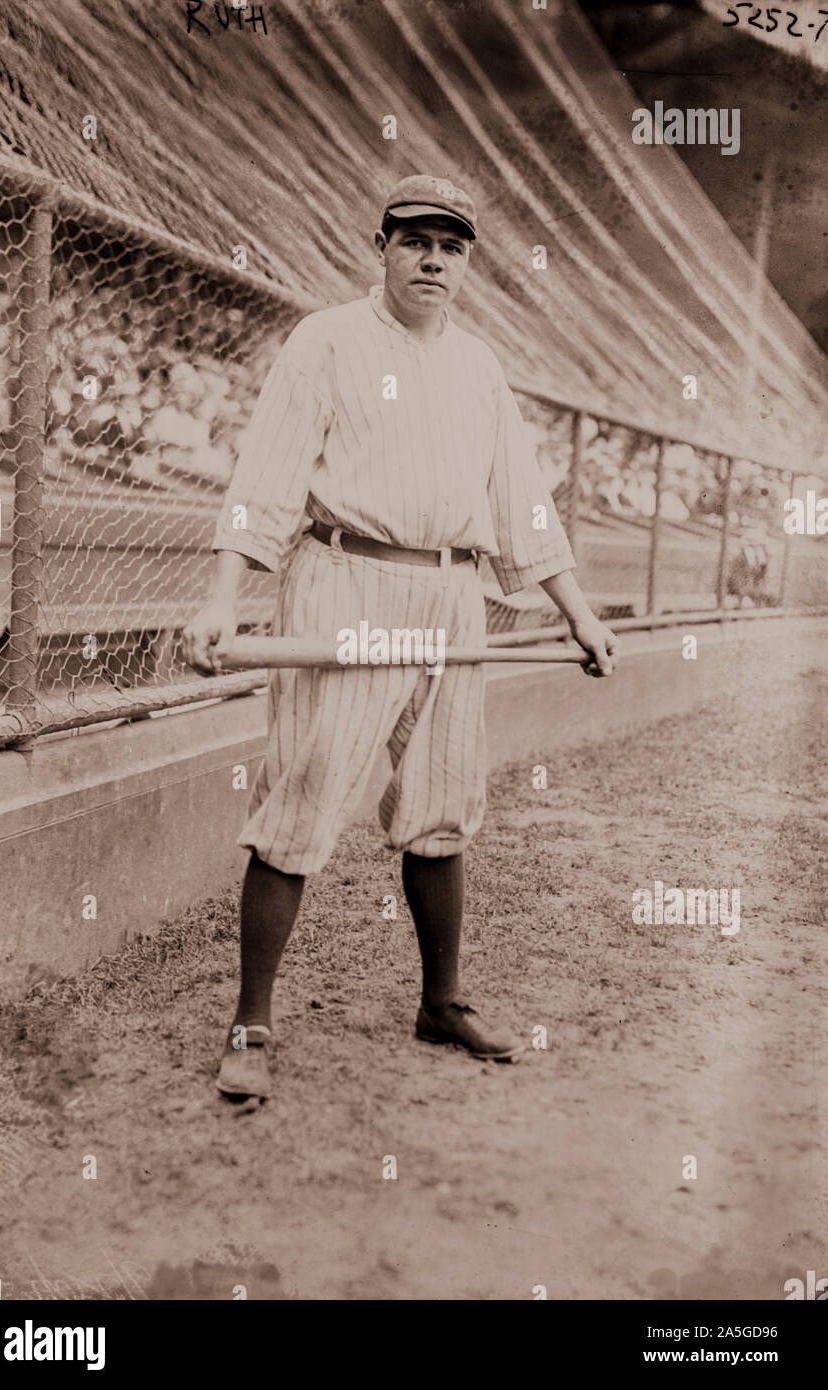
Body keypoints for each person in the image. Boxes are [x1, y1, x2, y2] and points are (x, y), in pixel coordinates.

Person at [183, 174, 619, 1109]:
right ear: (380, 247)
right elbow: (265, 474)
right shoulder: (327, 341)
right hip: (345, 578)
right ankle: (252, 1023)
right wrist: (224, 598)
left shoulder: (480, 367)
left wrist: (577, 612)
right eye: (414, 240)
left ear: (466, 264)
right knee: (300, 798)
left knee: (443, 802)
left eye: (450, 246)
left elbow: (521, 500)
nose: (432, 259)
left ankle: (442, 1000)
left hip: (452, 595)